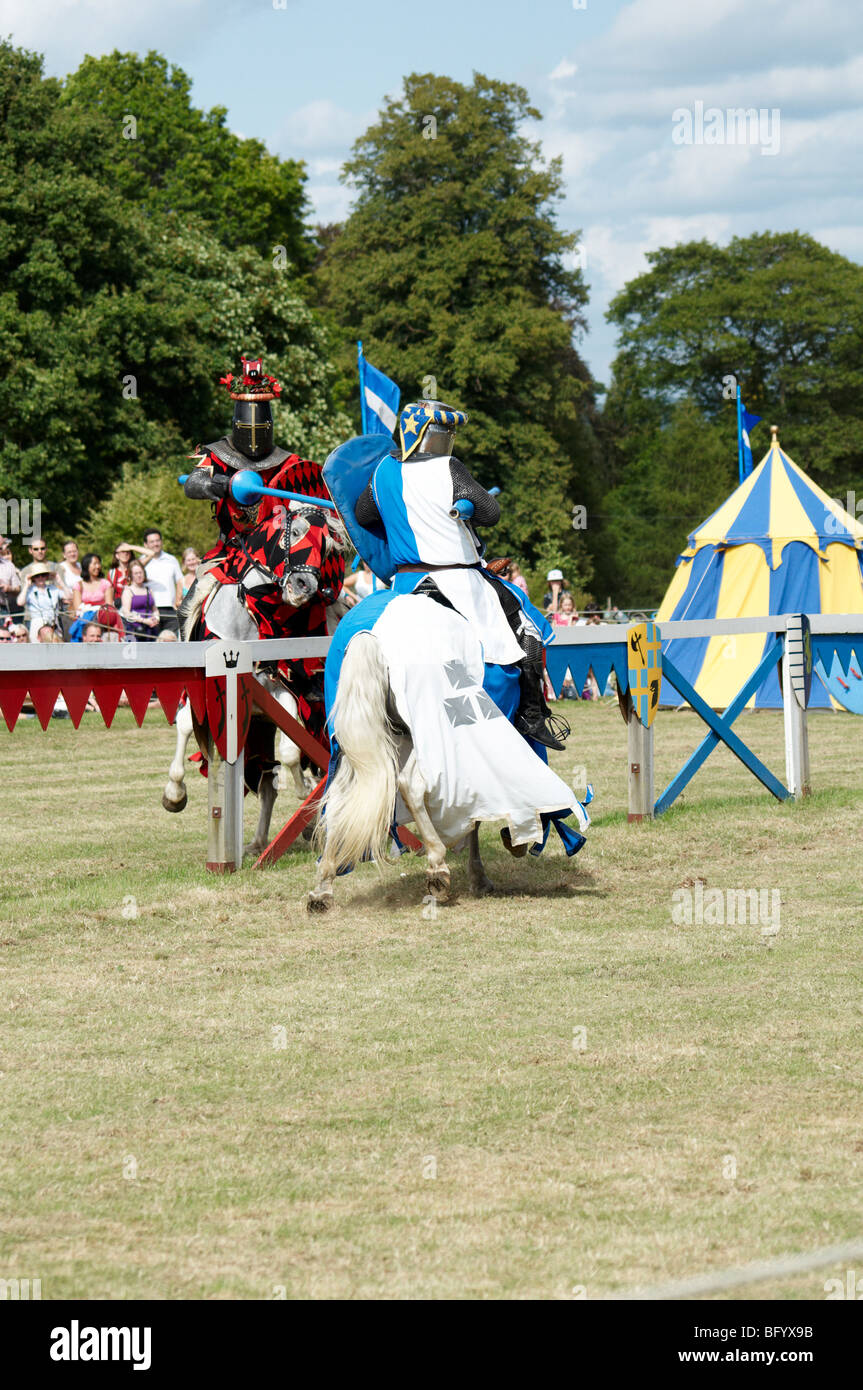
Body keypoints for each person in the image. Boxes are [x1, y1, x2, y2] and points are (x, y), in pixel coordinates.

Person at [352, 400, 567, 750]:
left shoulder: (381, 473)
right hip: (458, 581)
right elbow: (491, 512)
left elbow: (363, 516)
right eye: (438, 436)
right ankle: (531, 712)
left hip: (405, 584)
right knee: (528, 625)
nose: (443, 445)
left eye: (446, 438)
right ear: (417, 435)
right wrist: (465, 508)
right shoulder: (450, 468)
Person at [142, 529, 183, 635]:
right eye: (152, 542)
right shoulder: (141, 562)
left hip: (170, 609)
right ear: (145, 545)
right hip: (150, 610)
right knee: (152, 644)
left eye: (157, 540)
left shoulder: (171, 559)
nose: (155, 544)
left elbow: (179, 581)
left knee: (172, 642)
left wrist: (177, 600)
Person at [22, 563, 63, 640]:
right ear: (33, 578)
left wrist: (60, 582)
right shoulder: (30, 591)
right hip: (37, 622)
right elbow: (20, 602)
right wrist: (26, 585)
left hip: (53, 622)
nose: (40, 578)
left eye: (43, 575)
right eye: (37, 576)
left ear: (47, 576)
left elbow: (68, 597)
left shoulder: (53, 589)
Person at [121, 560, 160, 639]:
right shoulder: (128, 591)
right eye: (136, 573)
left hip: (151, 629)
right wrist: (144, 620)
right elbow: (126, 613)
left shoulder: (149, 590)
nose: (139, 575)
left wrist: (156, 618)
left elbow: (155, 609)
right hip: (135, 630)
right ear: (131, 575)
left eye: (140, 572)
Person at [71, 553, 113, 621]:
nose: (98, 566)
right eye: (95, 564)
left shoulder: (105, 584)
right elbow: (78, 609)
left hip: (102, 619)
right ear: (87, 565)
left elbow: (109, 607)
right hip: (84, 620)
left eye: (99, 563)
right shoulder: (78, 585)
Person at [0, 537, 22, 617]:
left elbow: (18, 589)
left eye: (0, 548)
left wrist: (9, 588)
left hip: (3, 609)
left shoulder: (9, 565)